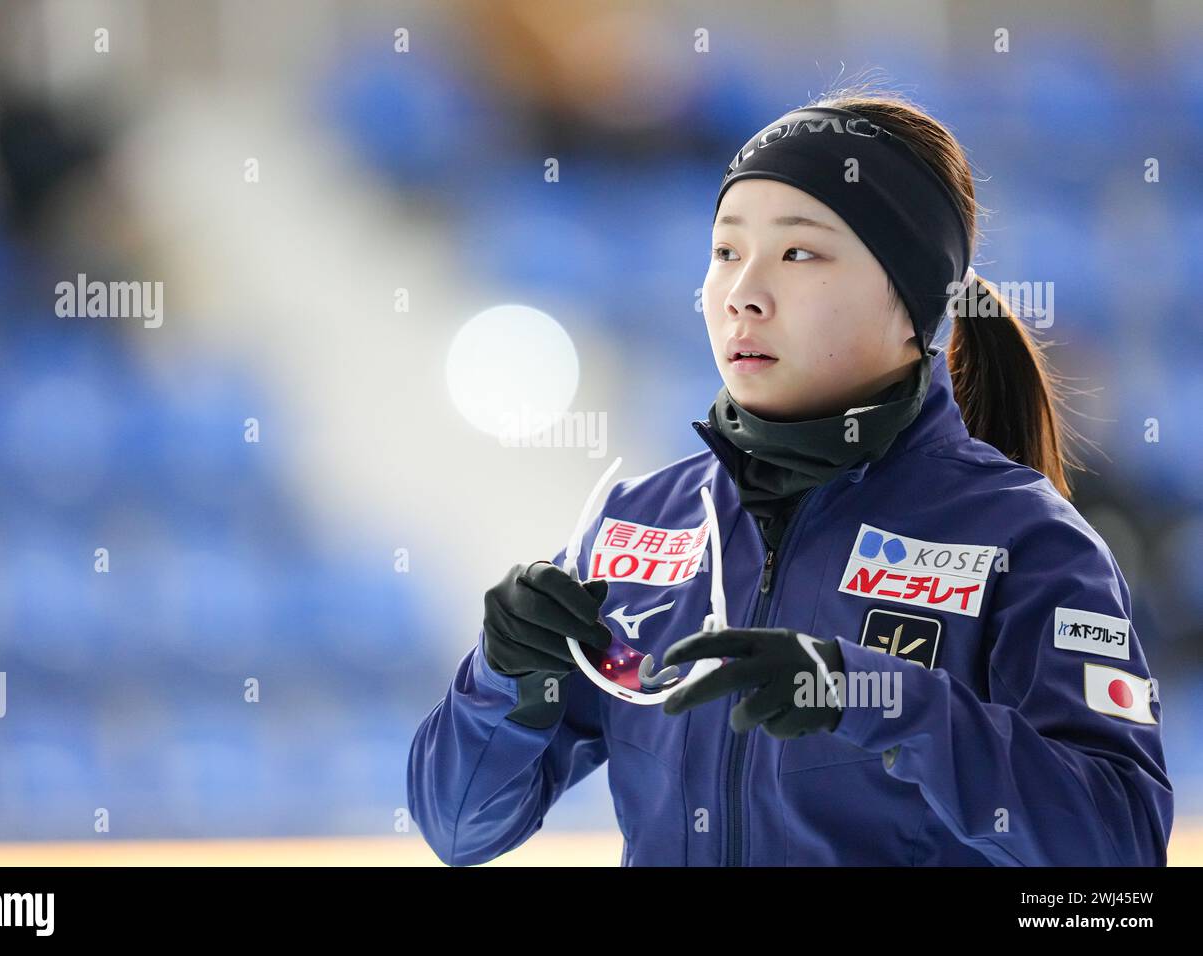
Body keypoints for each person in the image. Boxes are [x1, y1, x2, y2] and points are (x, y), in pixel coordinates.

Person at [406, 89, 1173, 866]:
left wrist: (873, 697)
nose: (743, 292)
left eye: (799, 253)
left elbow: (1118, 860)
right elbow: (459, 828)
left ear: (910, 298)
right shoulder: (639, 527)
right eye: (727, 252)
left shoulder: (1026, 541)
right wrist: (505, 678)